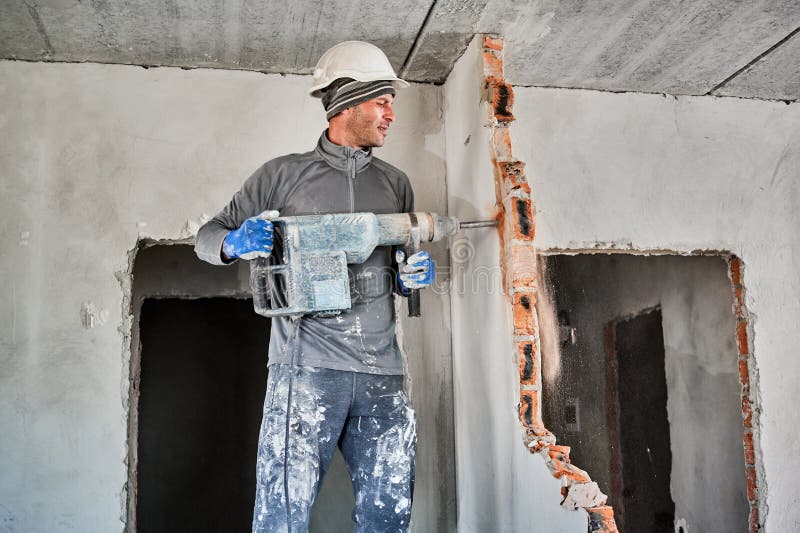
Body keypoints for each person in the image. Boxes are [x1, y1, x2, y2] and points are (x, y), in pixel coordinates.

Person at [194, 41, 434, 533]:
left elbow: (403, 269)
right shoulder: (282, 176)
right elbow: (206, 236)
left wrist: (414, 278)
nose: (391, 114)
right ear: (348, 102)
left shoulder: (395, 184)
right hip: (305, 368)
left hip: (381, 372)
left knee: (388, 515)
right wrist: (235, 242)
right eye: (382, 101)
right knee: (282, 516)